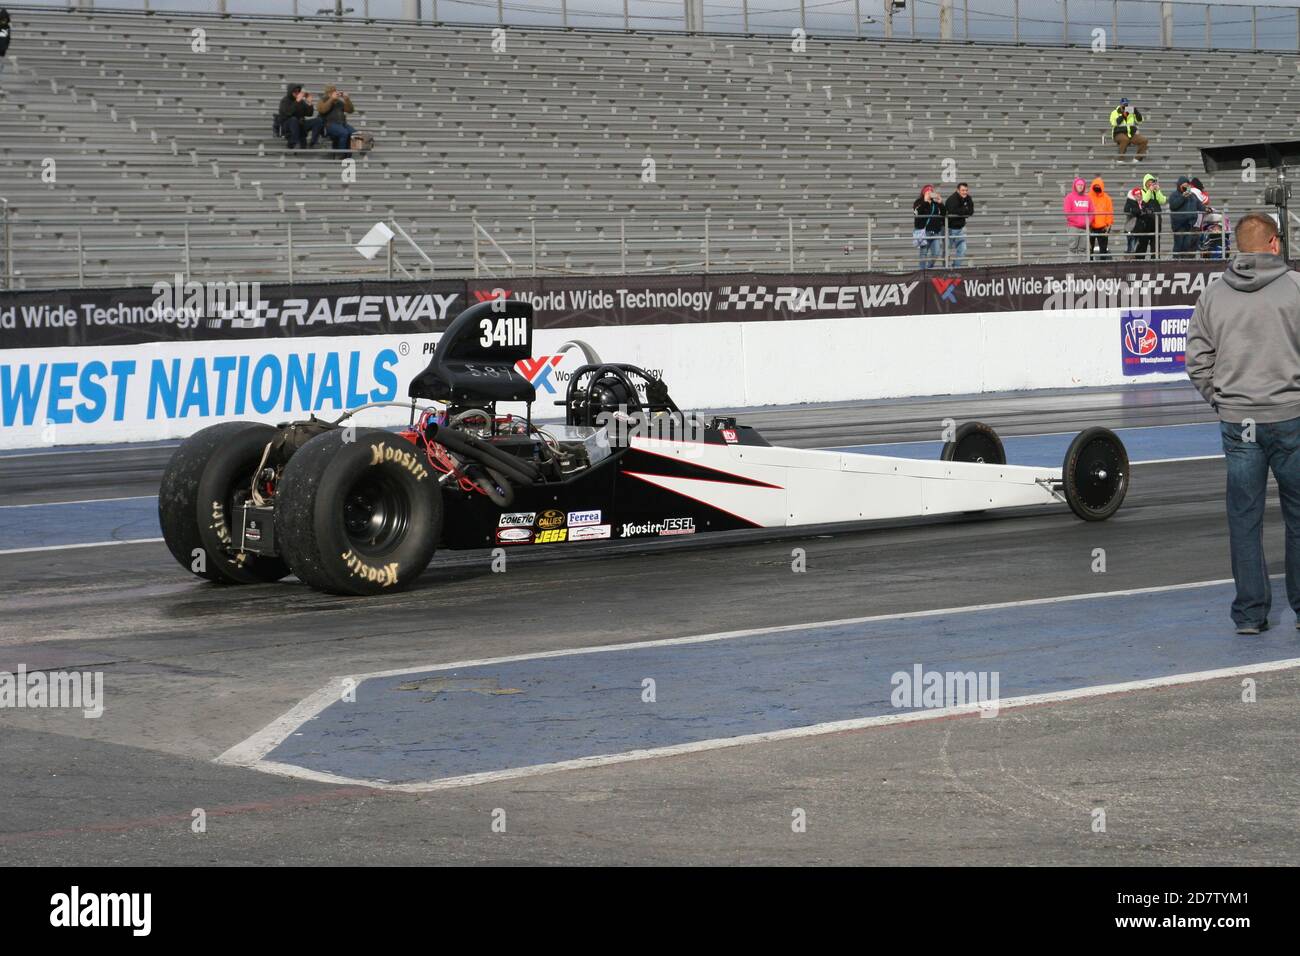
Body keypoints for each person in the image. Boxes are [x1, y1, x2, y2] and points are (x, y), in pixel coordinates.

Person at [1185, 212, 1300, 635]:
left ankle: (1251, 615)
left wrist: (1220, 398)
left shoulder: (1214, 295)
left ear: (1238, 246)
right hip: (1290, 417)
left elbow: (1197, 360)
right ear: (1274, 244)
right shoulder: (1295, 289)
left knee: (1245, 520)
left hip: (1239, 421)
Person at [1124, 173, 1165, 259]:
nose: (1151, 184)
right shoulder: (1141, 192)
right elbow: (1144, 200)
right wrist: (1150, 191)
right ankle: (1139, 264)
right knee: (1142, 246)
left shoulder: (1155, 193)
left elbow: (1162, 200)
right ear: (1145, 183)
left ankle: (1156, 264)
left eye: (1152, 182)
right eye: (1149, 182)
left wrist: (1158, 191)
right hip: (1144, 224)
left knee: (1155, 248)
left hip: (1156, 224)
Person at [1169, 175, 1205, 258]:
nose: (1186, 187)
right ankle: (1176, 261)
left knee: (1187, 245)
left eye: (1187, 185)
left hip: (1190, 224)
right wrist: (1183, 197)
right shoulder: (1174, 195)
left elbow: (1199, 205)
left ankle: (1184, 262)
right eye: (1184, 186)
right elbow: (1173, 206)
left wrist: (1206, 209)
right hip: (1179, 224)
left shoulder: (1192, 195)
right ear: (1179, 186)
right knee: (1179, 244)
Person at [277, 84, 323, 149]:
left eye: (298, 91)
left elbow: (309, 114)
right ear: (290, 91)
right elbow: (288, 113)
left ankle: (313, 142)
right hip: (288, 125)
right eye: (295, 91)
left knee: (318, 120)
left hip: (300, 124)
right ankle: (295, 142)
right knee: (293, 119)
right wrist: (297, 101)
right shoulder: (285, 100)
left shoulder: (300, 101)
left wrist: (310, 103)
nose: (297, 93)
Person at [911, 185, 945, 270]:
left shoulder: (935, 203)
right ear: (924, 193)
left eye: (931, 192)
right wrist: (925, 202)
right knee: (923, 253)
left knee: (936, 253)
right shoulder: (918, 202)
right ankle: (922, 271)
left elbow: (944, 214)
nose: (930, 193)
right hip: (924, 231)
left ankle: (928, 268)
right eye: (928, 192)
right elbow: (917, 213)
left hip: (935, 232)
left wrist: (941, 203)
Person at [943, 183, 974, 268]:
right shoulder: (952, 199)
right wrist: (965, 210)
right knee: (946, 251)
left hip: (960, 229)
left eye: (966, 190)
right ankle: (945, 268)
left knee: (962, 249)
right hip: (949, 229)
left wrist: (962, 211)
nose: (965, 192)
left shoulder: (968, 198)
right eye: (963, 190)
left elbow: (970, 212)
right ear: (958, 190)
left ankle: (956, 267)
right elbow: (953, 211)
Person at [318, 84, 356, 153]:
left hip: (342, 124)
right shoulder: (322, 101)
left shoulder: (339, 102)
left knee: (354, 133)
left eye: (334, 91)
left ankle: (349, 153)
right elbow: (322, 110)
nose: (334, 93)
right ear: (327, 93)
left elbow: (350, 110)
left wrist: (347, 99)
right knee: (344, 133)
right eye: (331, 92)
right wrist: (331, 99)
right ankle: (341, 153)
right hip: (329, 124)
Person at [1062, 177, 1092, 259]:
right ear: (1075, 185)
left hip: (1085, 228)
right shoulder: (1069, 197)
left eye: (1082, 185)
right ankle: (1070, 269)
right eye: (1078, 184)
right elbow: (1067, 212)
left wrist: (1087, 222)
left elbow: (1091, 212)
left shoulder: (1088, 198)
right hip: (1073, 227)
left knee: (1083, 249)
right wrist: (1078, 222)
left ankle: (1081, 270)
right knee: (1072, 249)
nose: (1080, 186)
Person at [1109, 97, 1148, 161]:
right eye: (1124, 105)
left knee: (1144, 140)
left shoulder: (1131, 111)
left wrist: (1136, 112)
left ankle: (1137, 159)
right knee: (1125, 139)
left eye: (1126, 104)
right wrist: (1125, 114)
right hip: (1118, 133)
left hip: (1131, 133)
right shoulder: (1114, 112)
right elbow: (1116, 122)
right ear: (1120, 105)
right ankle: (1120, 159)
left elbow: (1140, 121)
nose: (1125, 106)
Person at [1087, 177, 1113, 260]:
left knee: (1103, 249)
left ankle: (1103, 266)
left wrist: (1108, 226)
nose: (1097, 188)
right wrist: (1087, 224)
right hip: (1091, 227)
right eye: (1096, 186)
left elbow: (1109, 212)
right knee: (1089, 249)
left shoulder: (1107, 198)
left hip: (1103, 228)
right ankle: (1089, 264)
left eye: (1099, 186)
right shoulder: (1088, 197)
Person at [0, 9, 11, 78]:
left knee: (1, 65)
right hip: (2, 50)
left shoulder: (7, 28)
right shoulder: (6, 27)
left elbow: (7, 39)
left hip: (2, 51)